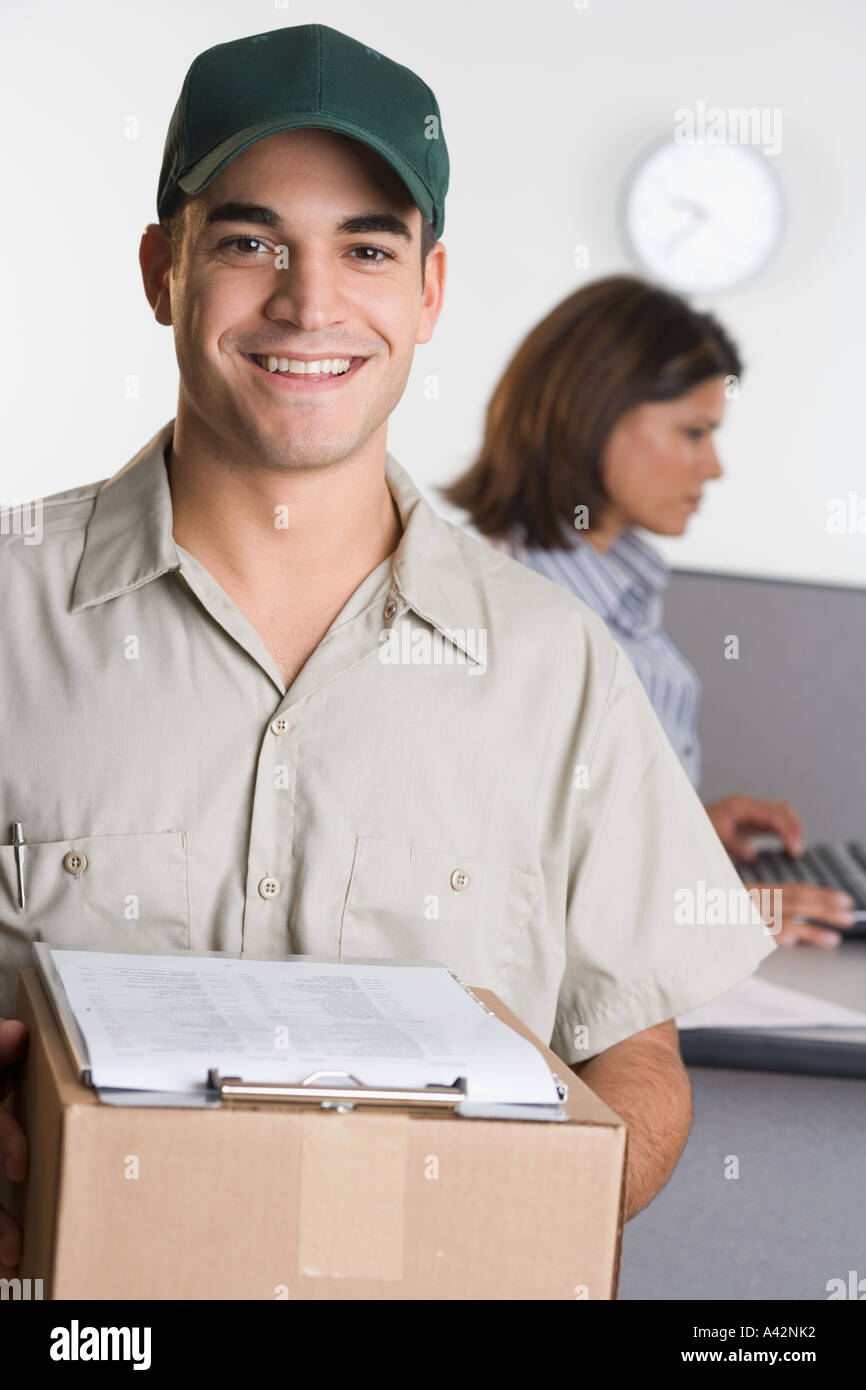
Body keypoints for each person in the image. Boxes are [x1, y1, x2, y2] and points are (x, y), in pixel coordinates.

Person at [0, 27, 776, 1275]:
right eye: (250, 242)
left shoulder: (556, 668)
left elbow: (635, 1062)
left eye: (365, 247)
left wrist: (502, 1219)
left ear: (427, 292)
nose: (309, 303)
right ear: (162, 270)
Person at [443, 275, 854, 949]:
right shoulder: (514, 609)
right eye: (694, 433)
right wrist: (705, 909)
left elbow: (576, 824)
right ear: (594, 415)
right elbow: (501, 876)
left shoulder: (617, 584)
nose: (715, 468)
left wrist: (686, 826)